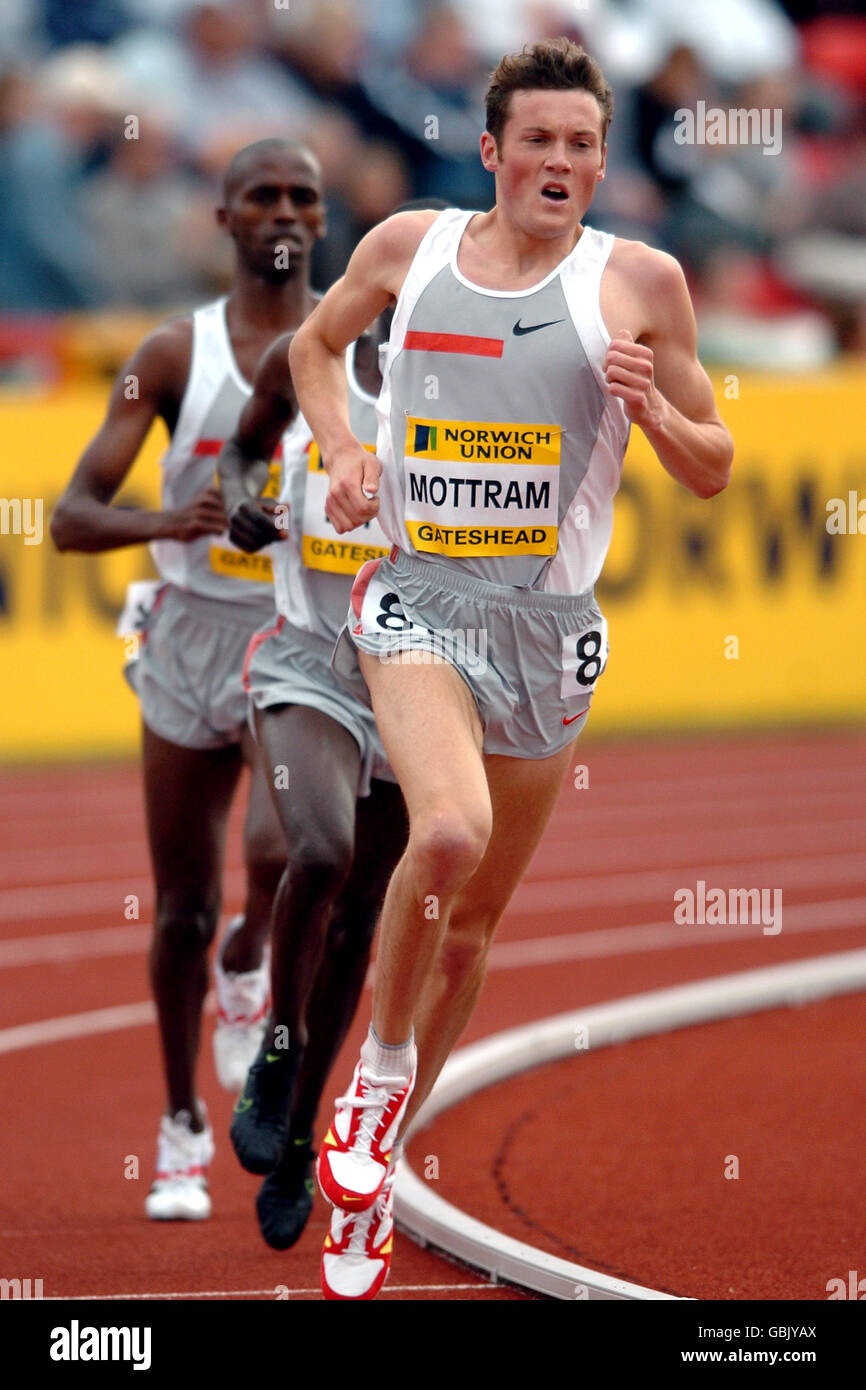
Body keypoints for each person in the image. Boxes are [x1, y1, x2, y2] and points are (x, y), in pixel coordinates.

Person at [288, 37, 734, 1299]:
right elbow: (318, 353)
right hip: (419, 599)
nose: (558, 161)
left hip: (549, 632)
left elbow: (714, 464)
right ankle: (371, 1090)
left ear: (602, 159)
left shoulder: (641, 281)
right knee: (445, 834)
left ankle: (369, 1194)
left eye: (580, 142)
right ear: (490, 151)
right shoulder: (406, 250)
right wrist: (337, 449)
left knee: (474, 925)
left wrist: (657, 419)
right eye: (534, 139)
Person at [50, 138, 327, 1220]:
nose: (285, 212)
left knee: (282, 847)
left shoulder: (342, 345)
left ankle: (252, 958)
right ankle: (178, 1126)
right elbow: (73, 515)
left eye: (303, 195)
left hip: (290, 630)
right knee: (176, 910)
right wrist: (175, 517)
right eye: (262, 195)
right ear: (223, 219)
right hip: (182, 636)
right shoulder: (172, 353)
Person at [217, 199, 450, 1272]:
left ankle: (305, 1127)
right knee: (319, 848)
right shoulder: (297, 367)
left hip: (417, 665)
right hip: (310, 654)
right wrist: (245, 506)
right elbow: (239, 463)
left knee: (363, 920)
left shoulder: (456, 390)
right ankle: (277, 1043)